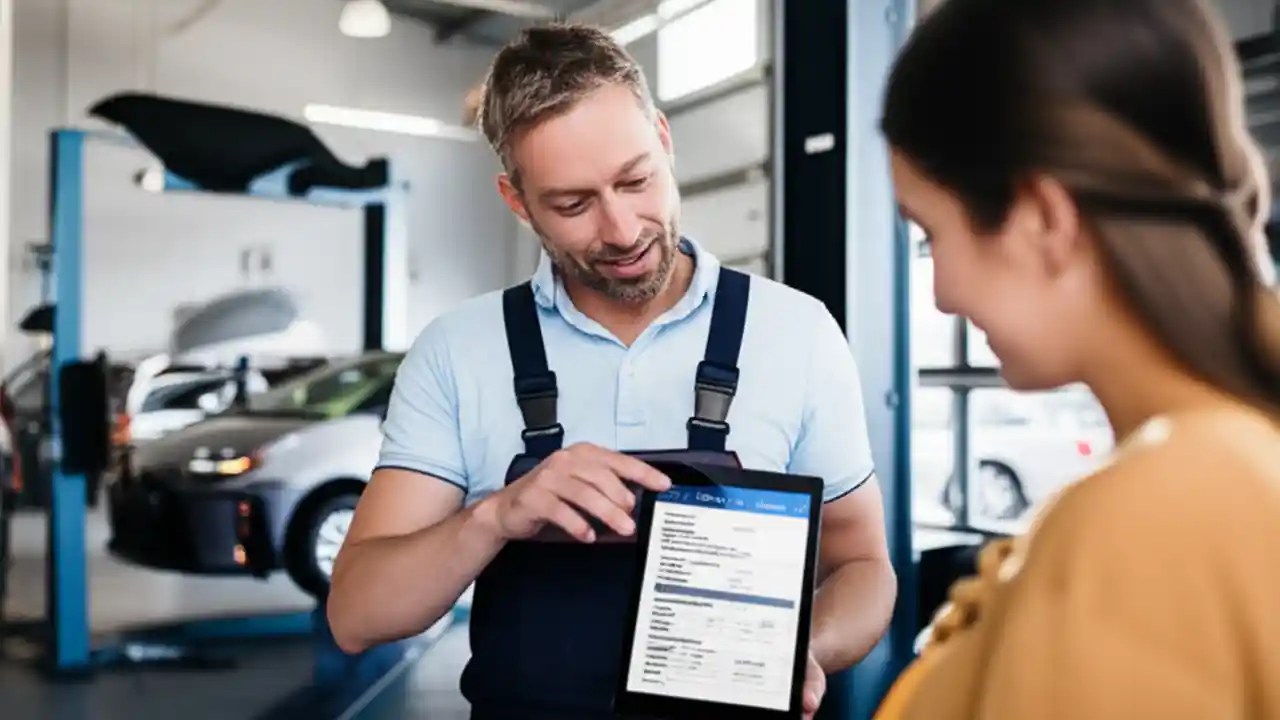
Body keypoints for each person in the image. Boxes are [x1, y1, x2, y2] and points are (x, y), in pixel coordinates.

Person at [326, 23, 897, 720]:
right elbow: (356, 614)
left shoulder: (796, 334)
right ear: (517, 201)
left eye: (636, 180)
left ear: (663, 137)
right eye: (573, 204)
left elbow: (864, 567)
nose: (623, 229)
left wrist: (808, 646)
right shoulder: (458, 352)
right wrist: (497, 516)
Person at [871, 0, 1280, 718]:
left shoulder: (1158, 516)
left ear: (1041, 220)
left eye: (932, 236)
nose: (939, 296)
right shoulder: (1227, 461)